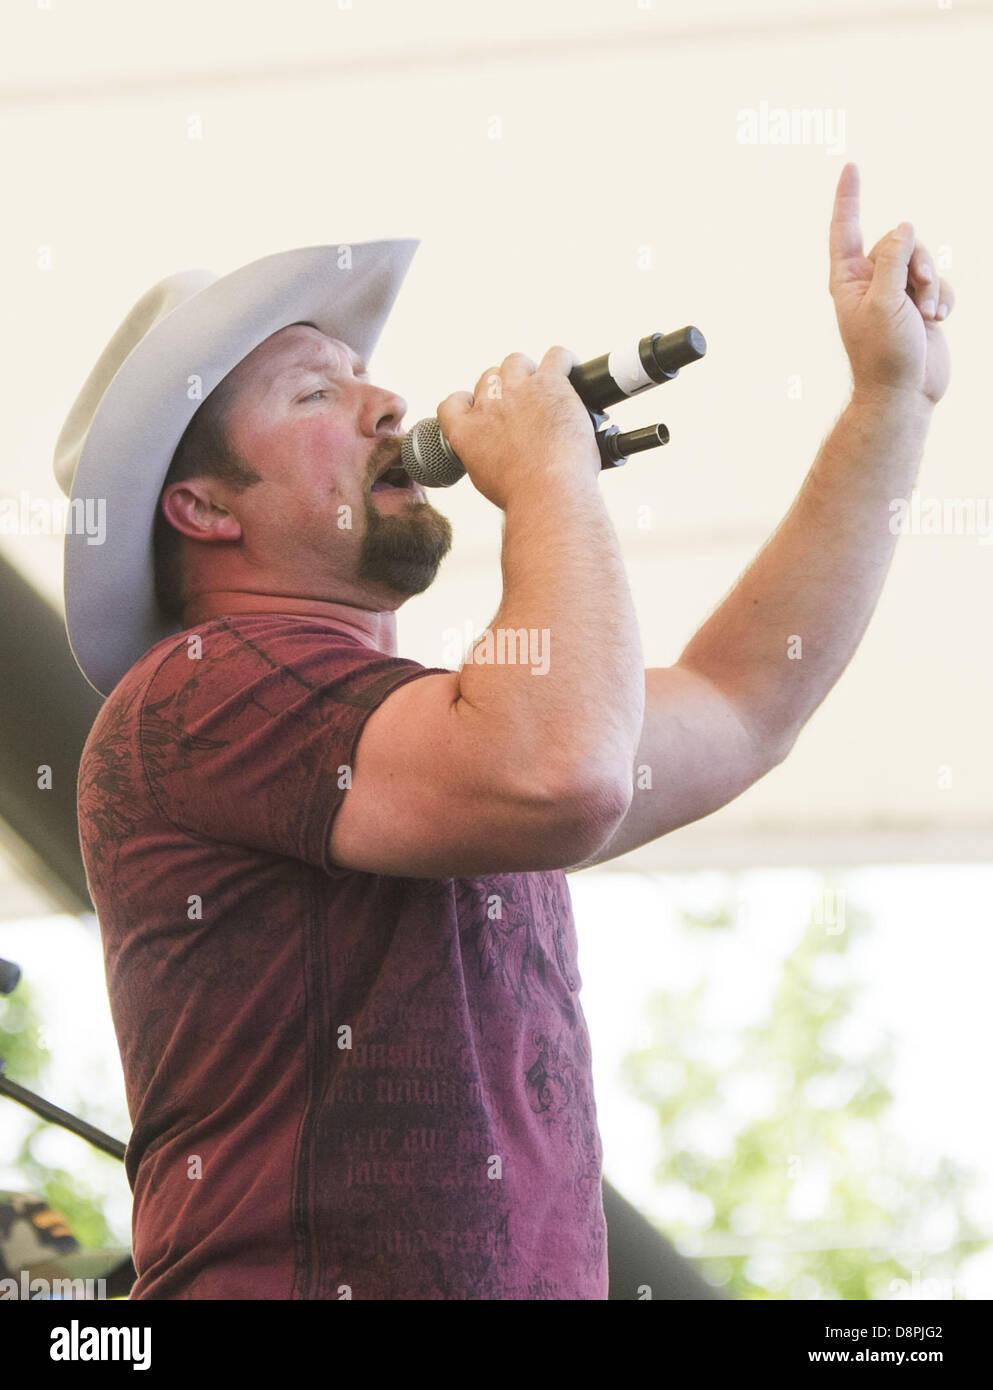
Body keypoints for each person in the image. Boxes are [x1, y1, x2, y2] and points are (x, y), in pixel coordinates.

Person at [55, 164, 953, 1299]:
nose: (388, 406)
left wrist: (891, 403)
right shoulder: (191, 693)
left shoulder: (445, 730)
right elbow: (563, 771)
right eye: (315, 398)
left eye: (368, 379)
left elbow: (742, 705)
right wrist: (548, 484)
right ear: (205, 509)